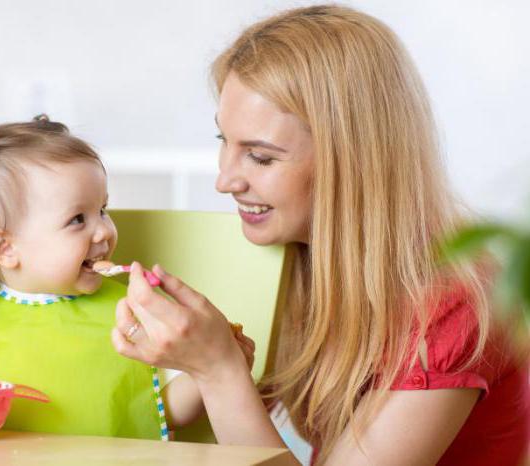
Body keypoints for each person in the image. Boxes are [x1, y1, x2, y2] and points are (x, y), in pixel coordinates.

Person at [111, 5, 529, 465]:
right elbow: (210, 440)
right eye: (223, 143)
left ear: (352, 161)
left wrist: (218, 370)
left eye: (261, 157)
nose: (225, 180)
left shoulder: (453, 301)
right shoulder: (295, 259)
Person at [0, 115, 255, 440]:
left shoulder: (132, 314)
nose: (105, 230)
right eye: (78, 219)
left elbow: (163, 410)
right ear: (4, 248)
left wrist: (212, 370)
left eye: (102, 209)